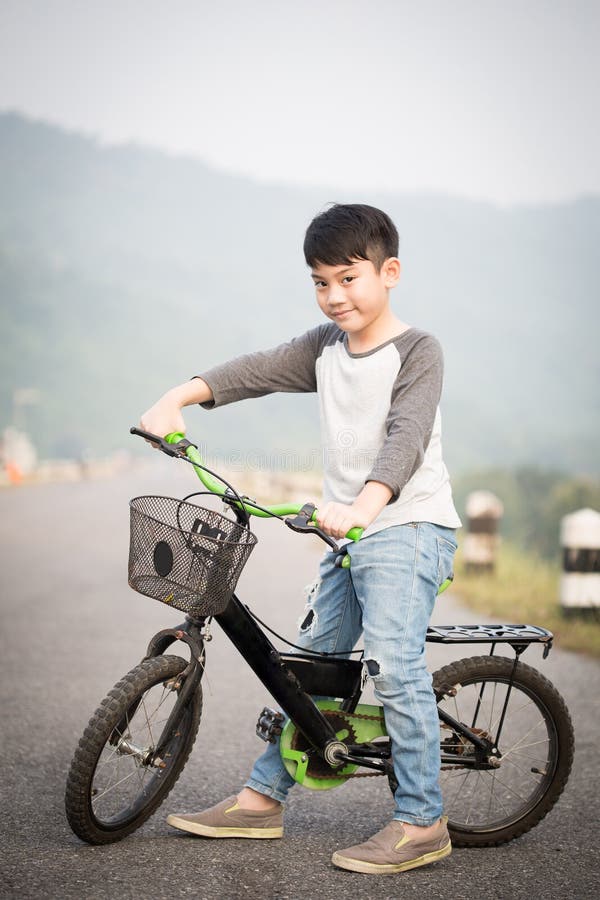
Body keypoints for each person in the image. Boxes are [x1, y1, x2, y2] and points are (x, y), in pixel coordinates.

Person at [139, 203, 461, 875]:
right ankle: (262, 800)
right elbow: (256, 370)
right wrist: (176, 399)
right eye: (321, 282)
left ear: (389, 272)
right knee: (310, 666)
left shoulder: (417, 352)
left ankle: (422, 822)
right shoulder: (325, 348)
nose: (335, 296)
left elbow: (405, 436)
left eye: (349, 278)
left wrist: (366, 503)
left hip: (408, 525)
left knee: (394, 669)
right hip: (353, 532)